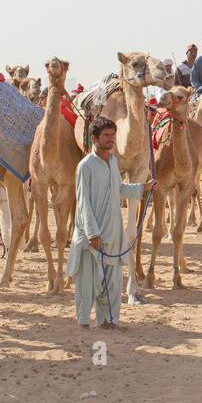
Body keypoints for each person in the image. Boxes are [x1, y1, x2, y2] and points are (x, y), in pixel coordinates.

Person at [66, 117, 156, 329]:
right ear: (94, 139)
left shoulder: (113, 162)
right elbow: (83, 202)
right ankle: (84, 323)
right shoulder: (85, 166)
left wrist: (143, 188)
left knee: (113, 281)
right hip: (93, 234)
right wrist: (92, 233)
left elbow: (120, 189)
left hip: (113, 231)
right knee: (88, 281)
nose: (111, 139)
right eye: (106, 135)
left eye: (112, 135)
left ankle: (109, 320)